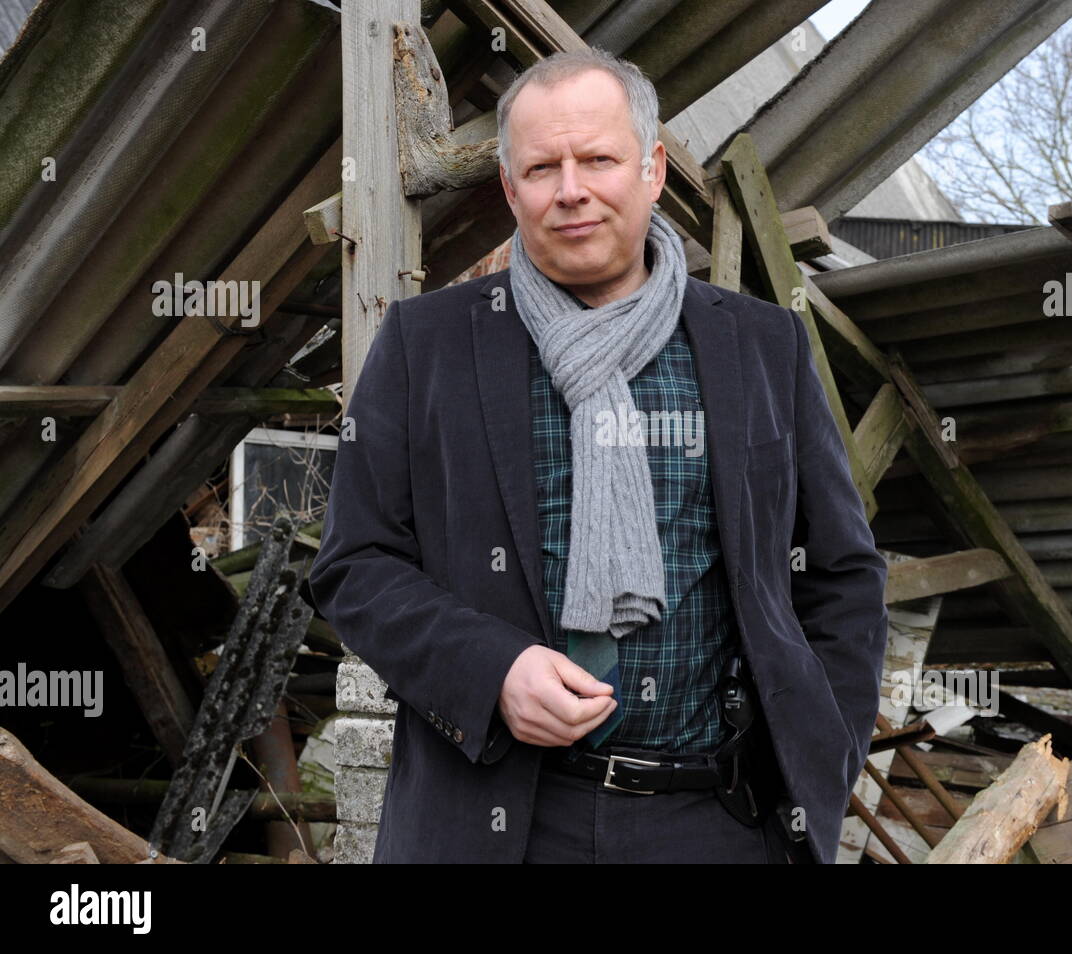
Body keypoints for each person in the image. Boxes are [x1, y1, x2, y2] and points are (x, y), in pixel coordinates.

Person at [308, 47, 889, 864]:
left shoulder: (763, 346)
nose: (571, 190)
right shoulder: (426, 345)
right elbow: (355, 565)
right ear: (511, 189)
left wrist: (823, 749)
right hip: (500, 823)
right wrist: (492, 672)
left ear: (652, 169)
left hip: (720, 820)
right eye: (542, 168)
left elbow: (841, 573)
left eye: (598, 160)